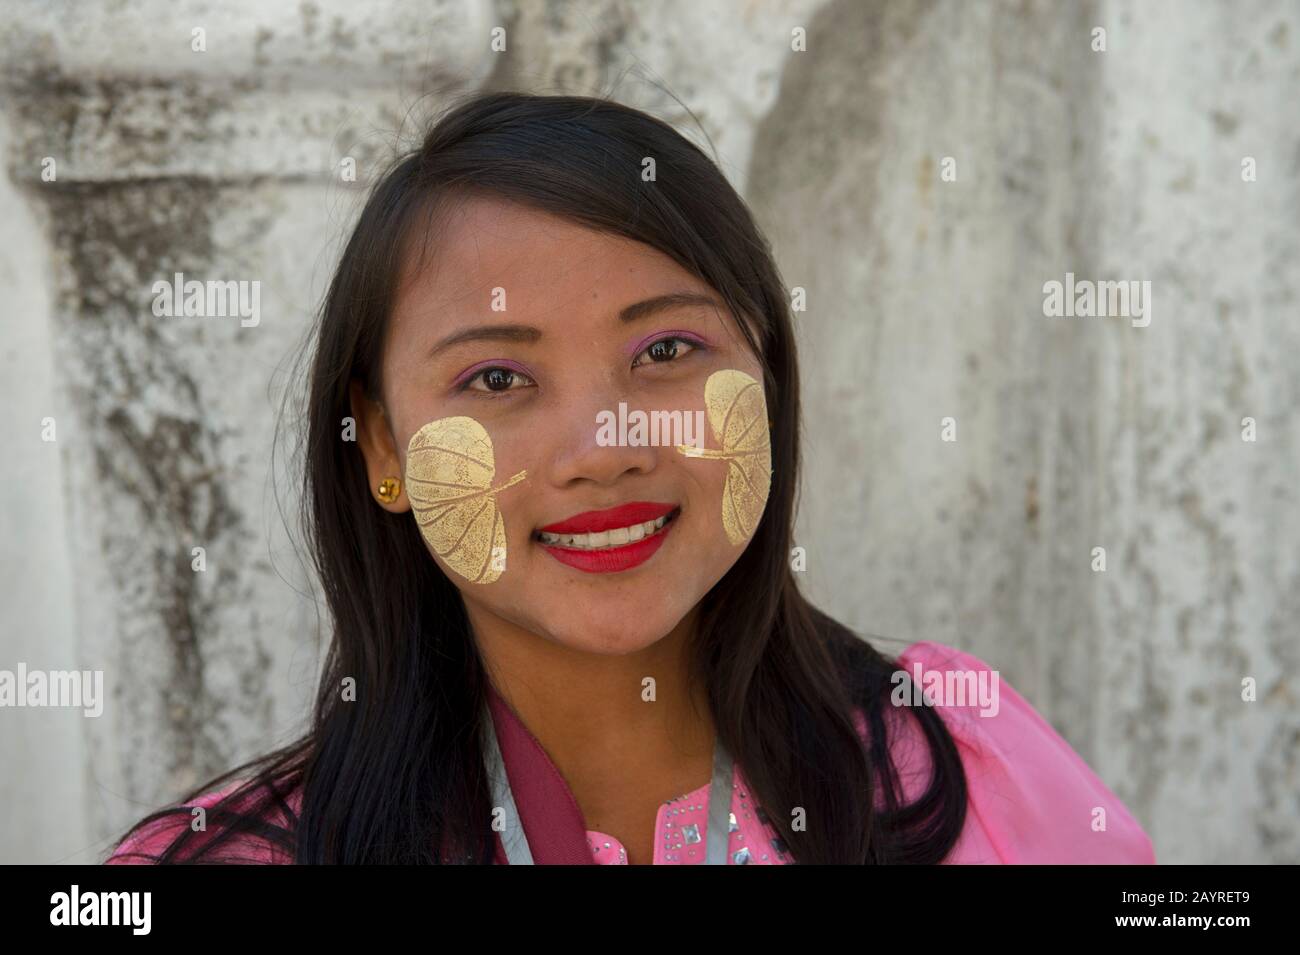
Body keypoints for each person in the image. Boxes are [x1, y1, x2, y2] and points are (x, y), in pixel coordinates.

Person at [106, 91, 1155, 865]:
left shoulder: (967, 769)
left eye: (665, 353)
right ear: (381, 448)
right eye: (498, 375)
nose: (603, 447)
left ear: (766, 381)